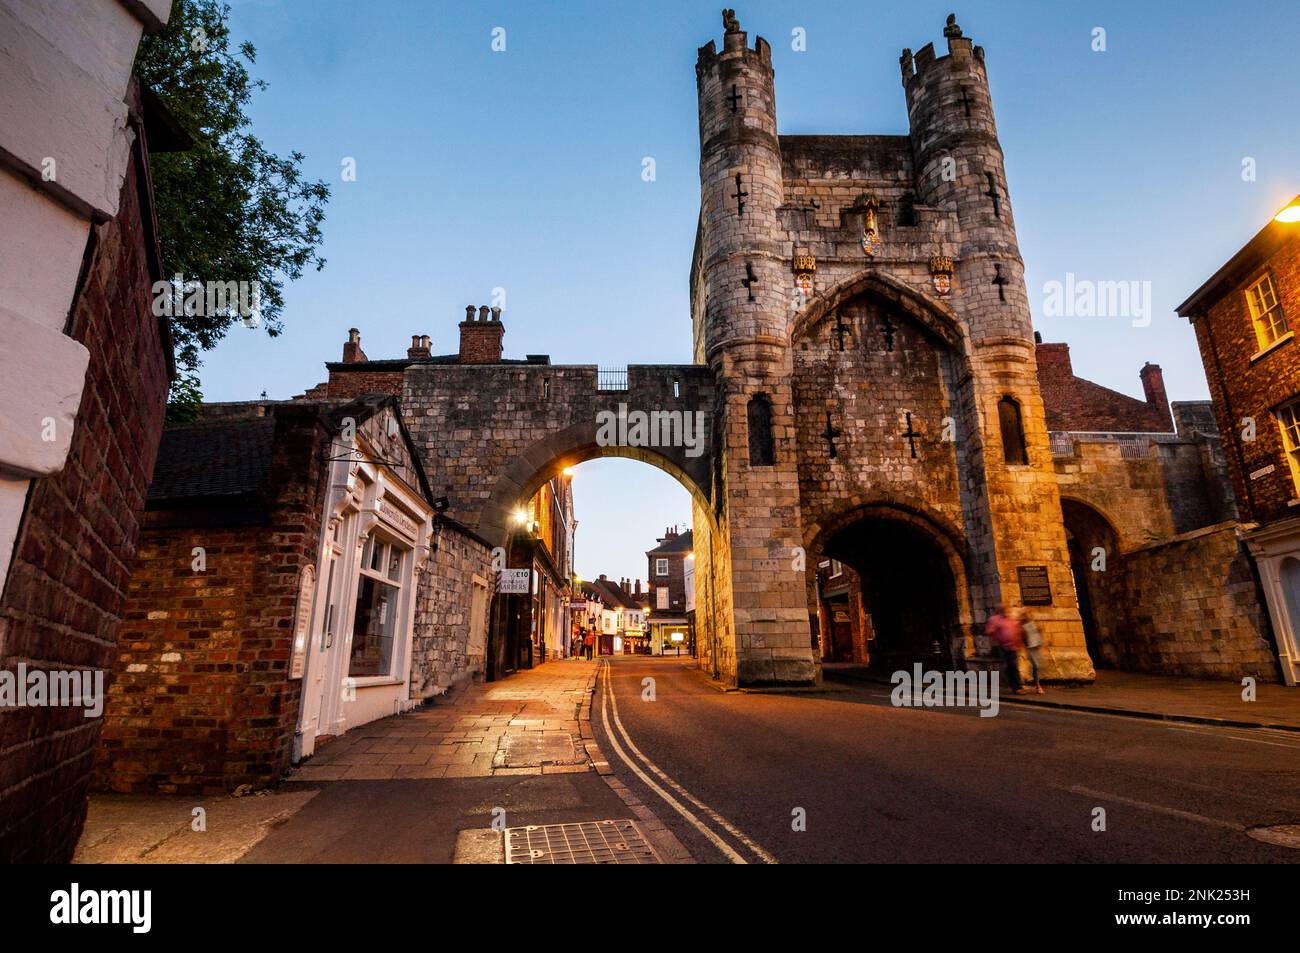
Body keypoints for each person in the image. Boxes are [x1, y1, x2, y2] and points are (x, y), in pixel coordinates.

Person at [985, 603, 1025, 694]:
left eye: (1008, 609)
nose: (1007, 611)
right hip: (1003, 647)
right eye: (1005, 609)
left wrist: (1019, 640)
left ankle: (1015, 686)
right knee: (1012, 666)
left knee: (1012, 666)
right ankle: (1017, 687)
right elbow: (989, 631)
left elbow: (1017, 631)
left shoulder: (1011, 619)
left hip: (1013, 646)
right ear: (1000, 610)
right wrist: (996, 637)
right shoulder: (995, 619)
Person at [1019, 608, 1045, 694]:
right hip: (1030, 648)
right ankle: (1038, 686)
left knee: (1037, 667)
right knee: (1036, 666)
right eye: (1025, 614)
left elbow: (1039, 631)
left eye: (1027, 614)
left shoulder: (1032, 622)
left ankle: (1035, 681)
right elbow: (1022, 638)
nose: (1026, 615)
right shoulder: (1022, 625)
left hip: (1037, 646)